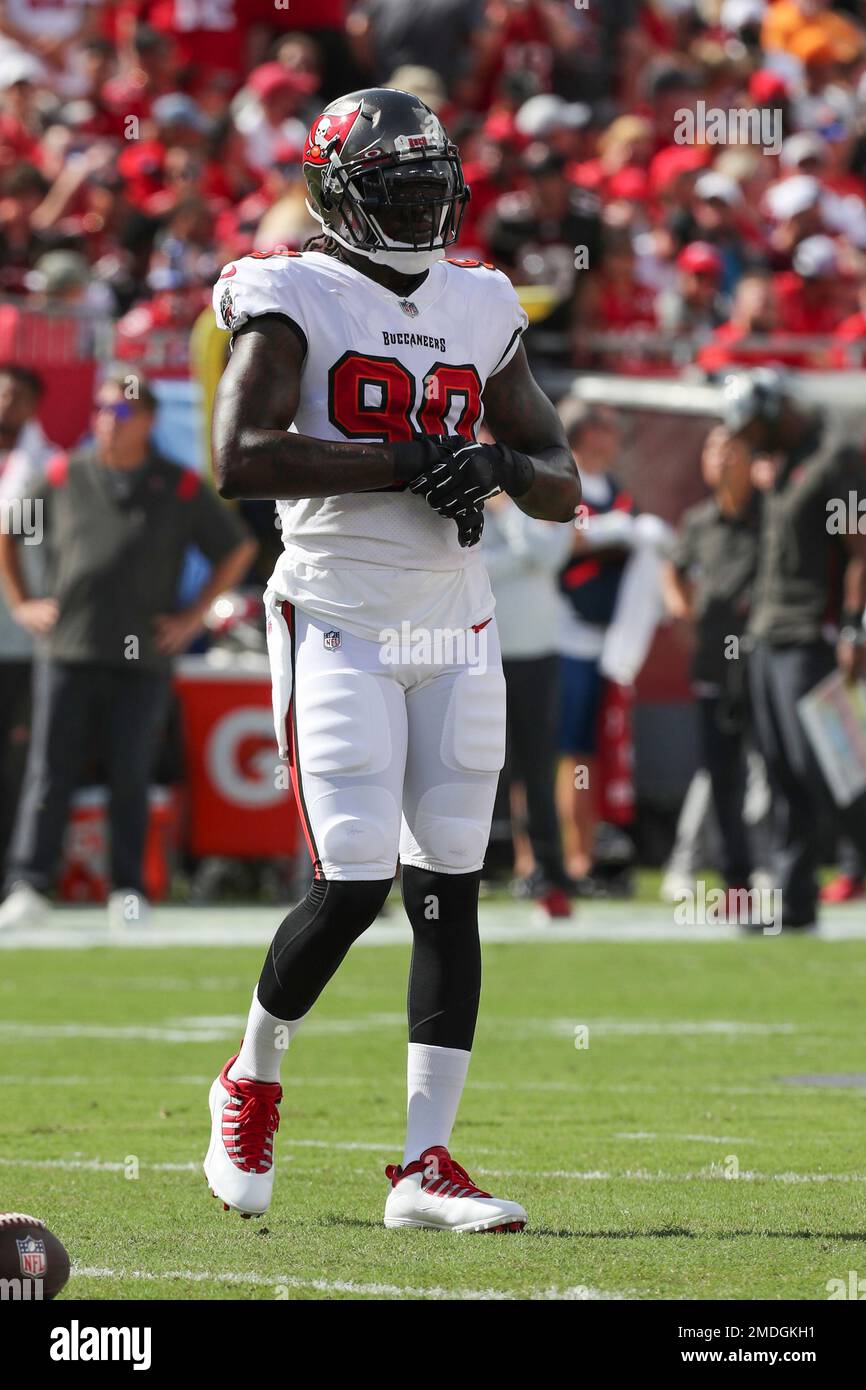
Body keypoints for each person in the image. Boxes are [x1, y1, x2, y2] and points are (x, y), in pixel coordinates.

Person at [205, 87, 580, 1230]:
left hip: (455, 622)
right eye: (397, 191)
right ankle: (251, 1072)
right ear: (337, 194)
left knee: (447, 886)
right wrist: (413, 458)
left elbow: (557, 473)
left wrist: (499, 470)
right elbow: (237, 456)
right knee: (355, 876)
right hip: (334, 614)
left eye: (431, 189)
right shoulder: (291, 290)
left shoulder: (476, 300)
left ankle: (424, 1165)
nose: (420, 211)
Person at [0, 369, 256, 931]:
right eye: (100, 410)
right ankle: (29, 883)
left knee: (131, 771)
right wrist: (23, 603)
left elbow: (237, 550)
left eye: (117, 412)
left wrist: (193, 618)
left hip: (144, 657)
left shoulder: (179, 486)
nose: (103, 422)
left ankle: (129, 887)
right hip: (68, 649)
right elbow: (10, 533)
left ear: (146, 421)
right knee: (49, 771)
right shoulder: (64, 473)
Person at [726, 368, 866, 929]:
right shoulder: (780, 461)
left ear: (779, 409)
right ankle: (794, 900)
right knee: (784, 772)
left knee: (835, 767)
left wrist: (855, 628)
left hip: (813, 635)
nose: (749, 437)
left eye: (754, 425)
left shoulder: (836, 455)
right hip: (769, 636)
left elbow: (860, 549)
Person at [663, 425, 762, 915]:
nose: (721, 459)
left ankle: (799, 872)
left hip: (768, 666)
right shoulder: (698, 522)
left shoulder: (773, 513)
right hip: (715, 668)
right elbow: (672, 571)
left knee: (785, 773)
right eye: (714, 449)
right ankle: (737, 884)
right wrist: (682, 612)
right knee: (722, 779)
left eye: (732, 450)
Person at [482, 489, 574, 921]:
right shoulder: (462, 488)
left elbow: (551, 552)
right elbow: (470, 569)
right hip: (480, 652)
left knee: (538, 770)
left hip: (537, 654)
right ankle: (456, 873)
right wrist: (523, 557)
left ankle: (549, 877)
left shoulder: (543, 485)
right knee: (474, 768)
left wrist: (506, 511)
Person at [0, 364, 55, 861]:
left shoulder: (48, 468)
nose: (3, 404)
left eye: (14, 395)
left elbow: (33, 545)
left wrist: (26, 604)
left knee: (16, 761)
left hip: (20, 641)